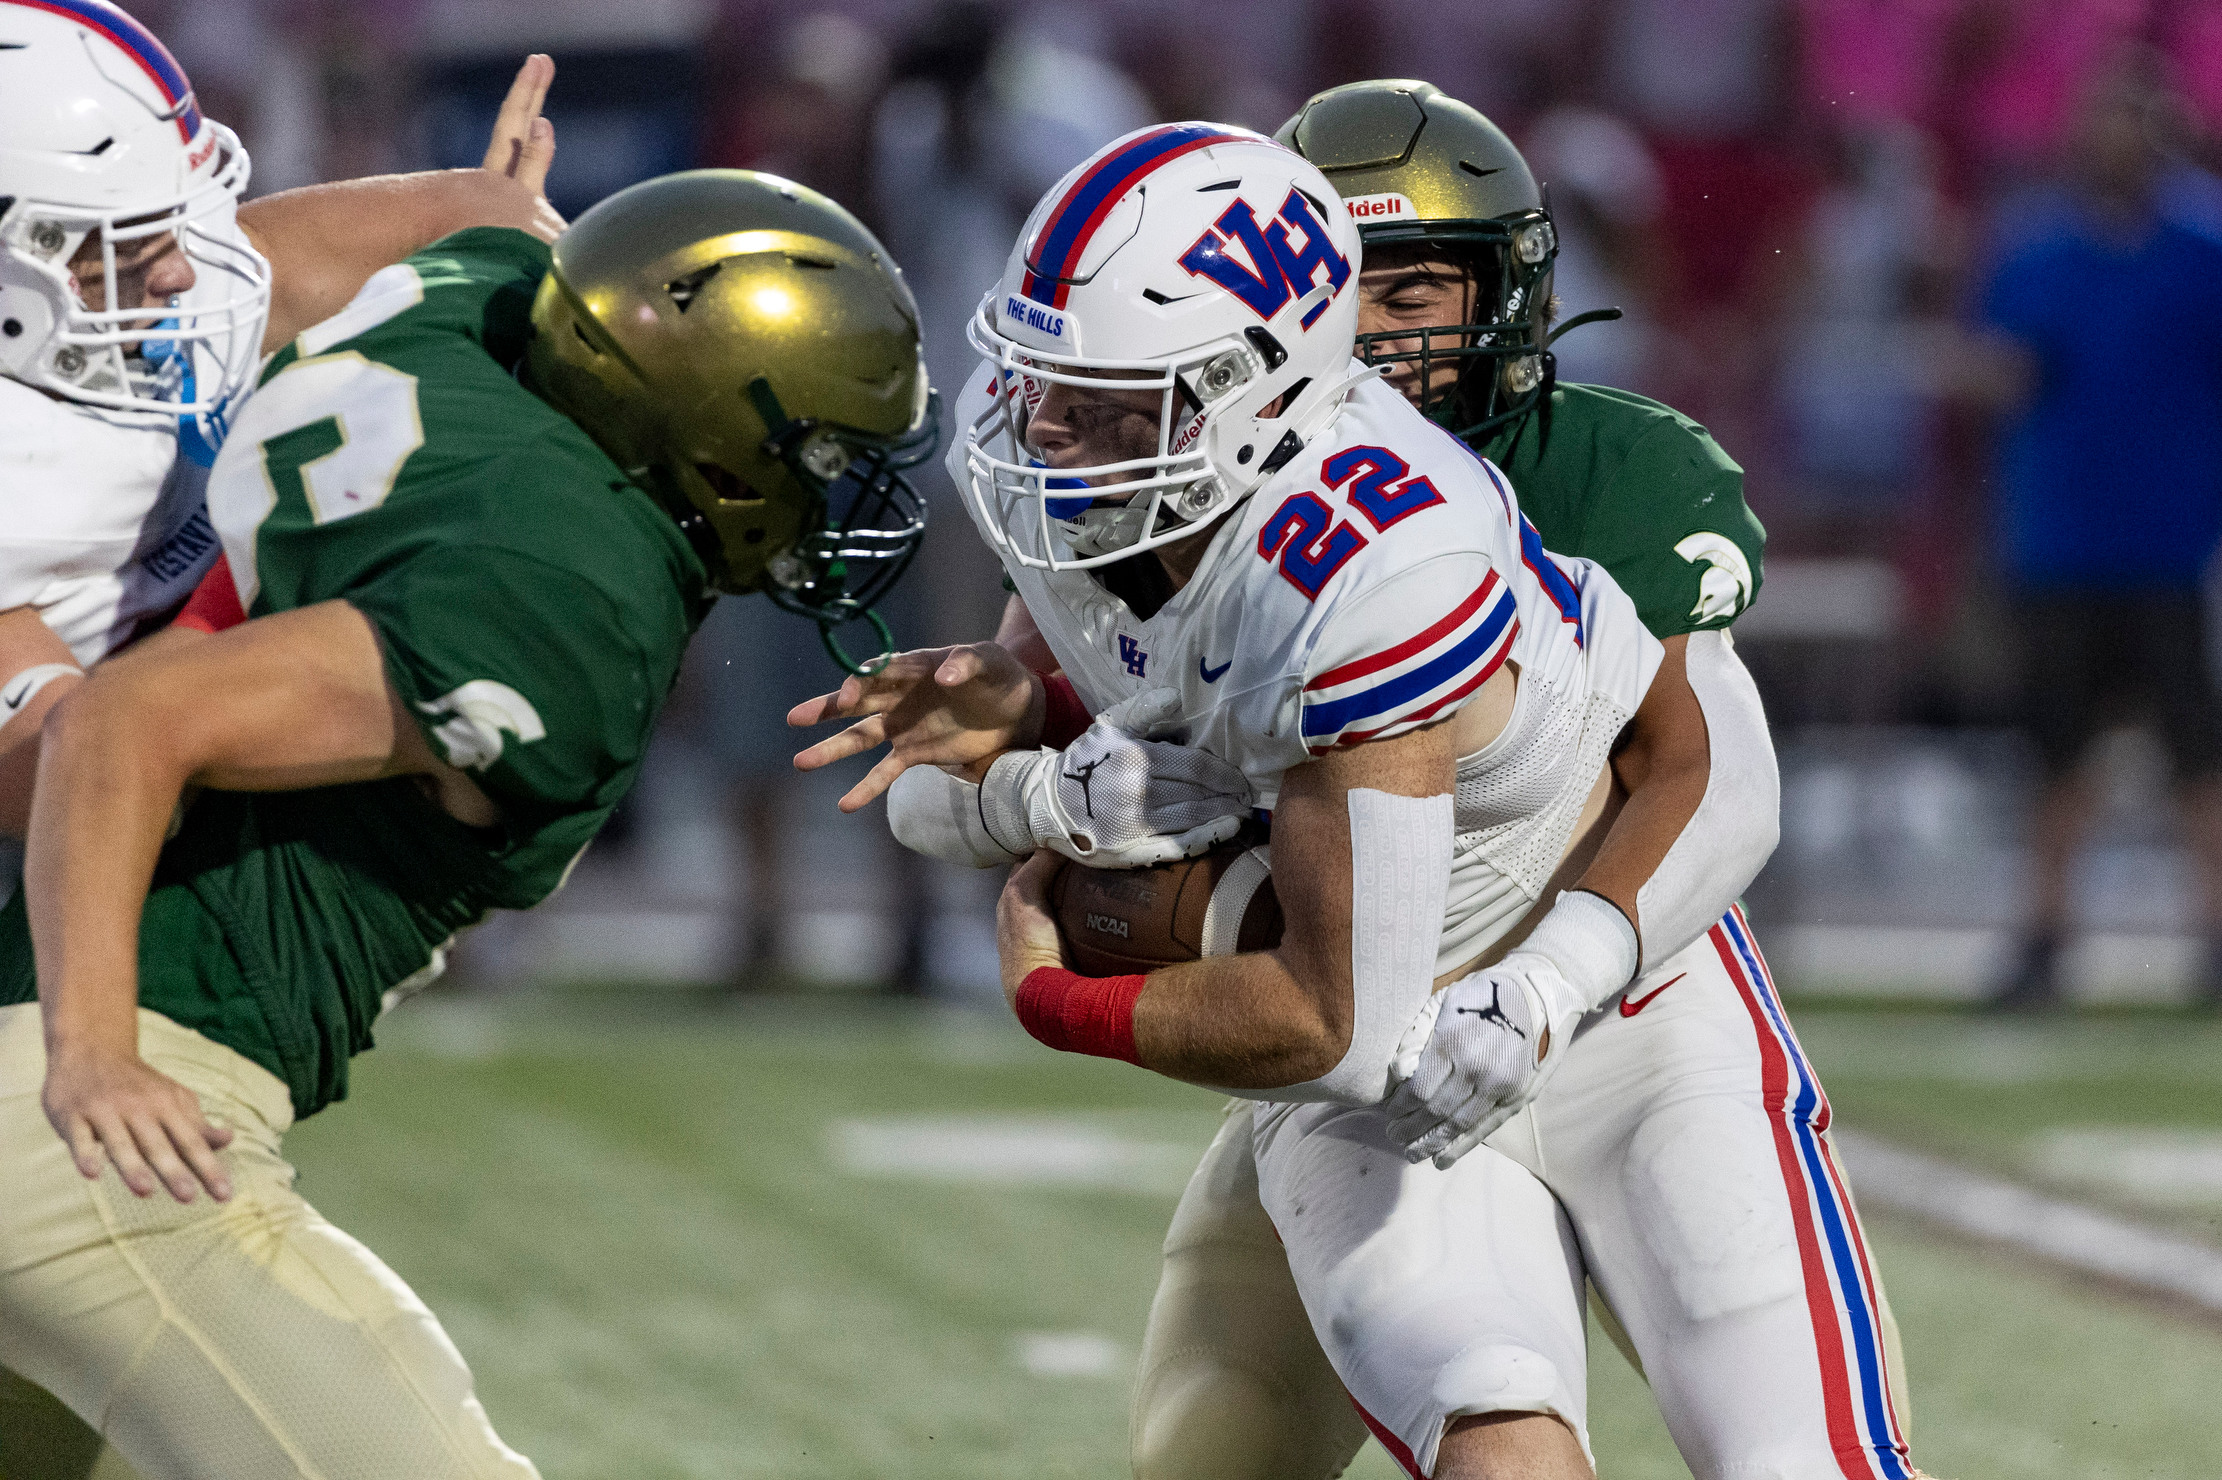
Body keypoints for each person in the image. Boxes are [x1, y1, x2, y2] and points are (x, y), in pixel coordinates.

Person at [802, 85, 1925, 1480]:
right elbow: (979, 773)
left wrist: (1551, 979)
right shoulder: (1122, 466)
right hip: (1362, 1027)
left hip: (1600, 1003)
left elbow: (1707, 769)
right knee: (1244, 1449)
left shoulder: (1398, 545)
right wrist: (1043, 773)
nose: (1057, 428)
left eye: (1417, 288)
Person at [0, 167, 931, 1477]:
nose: (827, 494)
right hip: (102, 1130)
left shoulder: (484, 293)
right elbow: (125, 725)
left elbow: (456, 216)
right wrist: (88, 1059)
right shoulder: (568, 602)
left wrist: (512, 195)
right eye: (811, 452)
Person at [0, 8, 565, 829]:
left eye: (177, 218)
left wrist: (492, 288)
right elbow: (84, 783)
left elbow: (477, 216)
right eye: (132, 241)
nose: (183, 273)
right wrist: (283, 584)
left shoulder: (152, 295)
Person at [1972, 64, 2222, 1009]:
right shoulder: (2039, 251)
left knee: (2199, 755)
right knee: (2057, 754)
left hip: (2171, 543)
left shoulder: (2202, 247)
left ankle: (2213, 933)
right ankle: (2044, 932)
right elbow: (1999, 368)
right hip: (2063, 540)